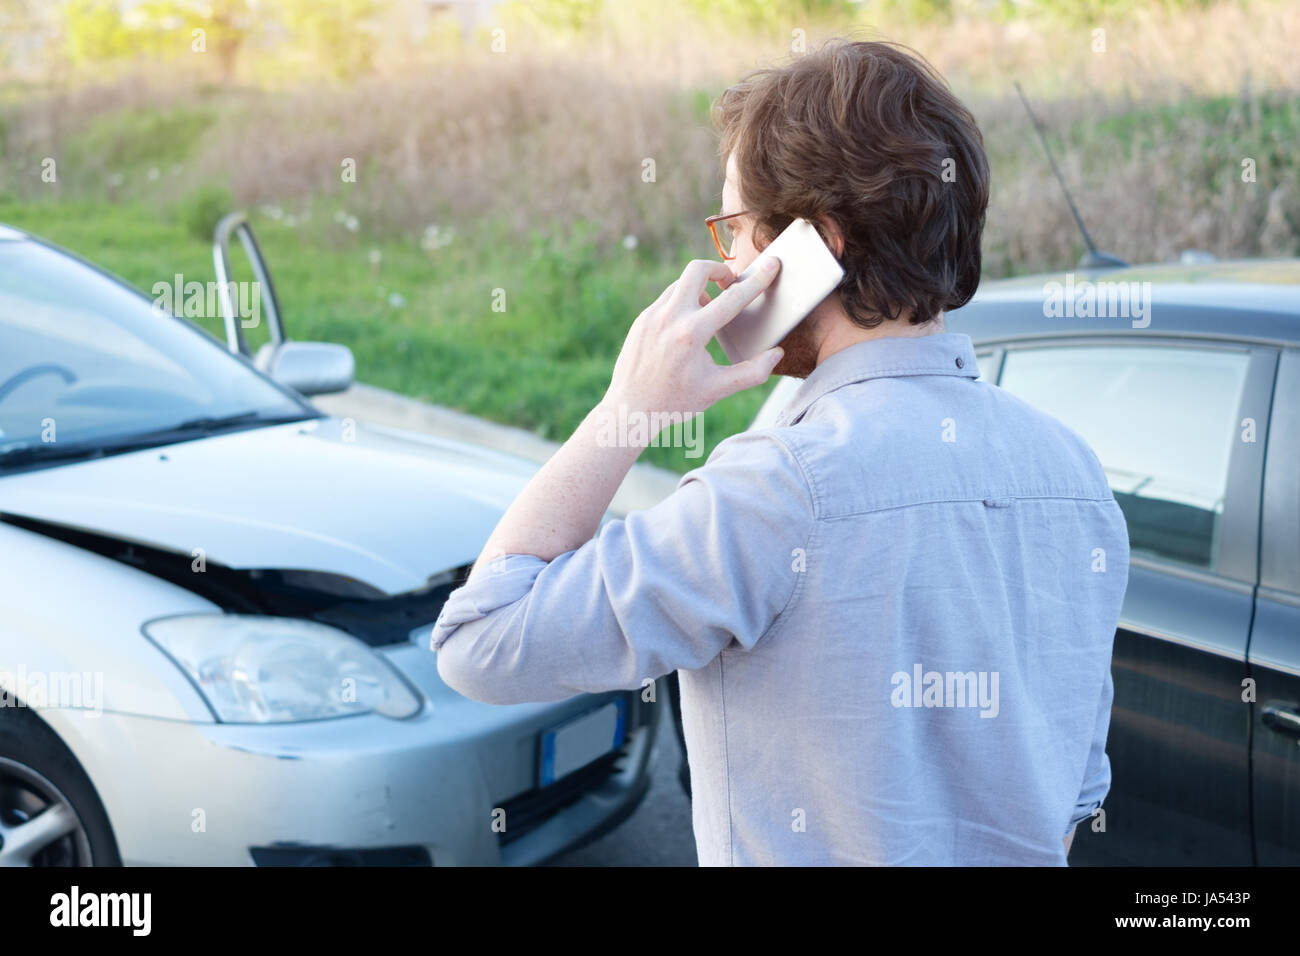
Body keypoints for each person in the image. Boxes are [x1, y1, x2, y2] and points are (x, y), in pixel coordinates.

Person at [430, 38, 1129, 865]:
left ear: (817, 246)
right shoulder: (1076, 476)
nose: (727, 266)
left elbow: (482, 642)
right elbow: (1079, 791)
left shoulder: (776, 493)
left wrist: (627, 409)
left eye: (735, 231)